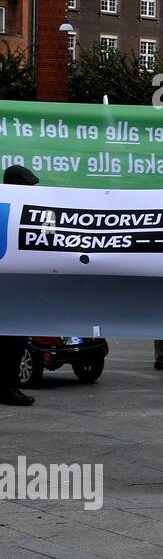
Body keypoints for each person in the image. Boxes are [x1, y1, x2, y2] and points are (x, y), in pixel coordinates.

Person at [0, 165, 39, 406]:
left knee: (15, 340)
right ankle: (7, 387)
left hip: (17, 288)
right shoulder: (9, 207)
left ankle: (8, 386)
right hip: (8, 286)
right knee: (10, 340)